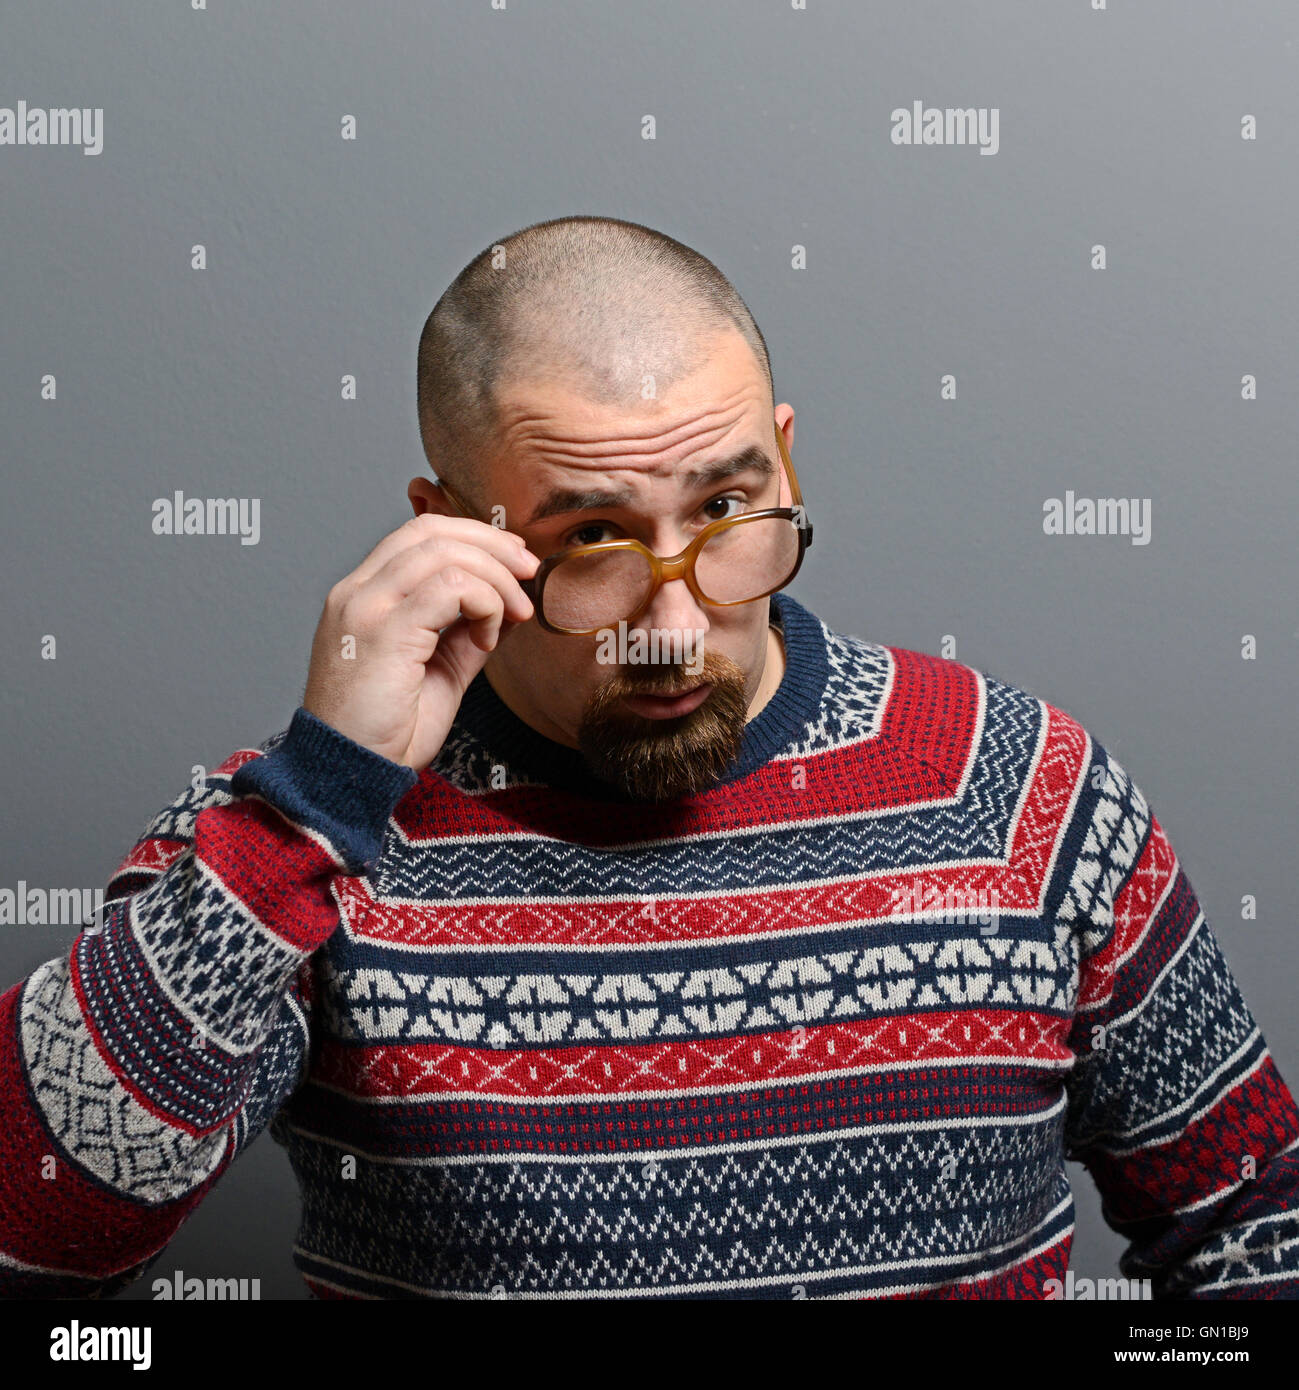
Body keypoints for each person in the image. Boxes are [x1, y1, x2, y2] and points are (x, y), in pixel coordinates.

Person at [3, 215, 1296, 1301]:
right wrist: (316, 802)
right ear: (448, 531)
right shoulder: (299, 840)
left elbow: (1257, 1224)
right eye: (592, 541)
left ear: (786, 457)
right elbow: (33, 1242)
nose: (673, 630)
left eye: (727, 508)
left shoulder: (1019, 785)